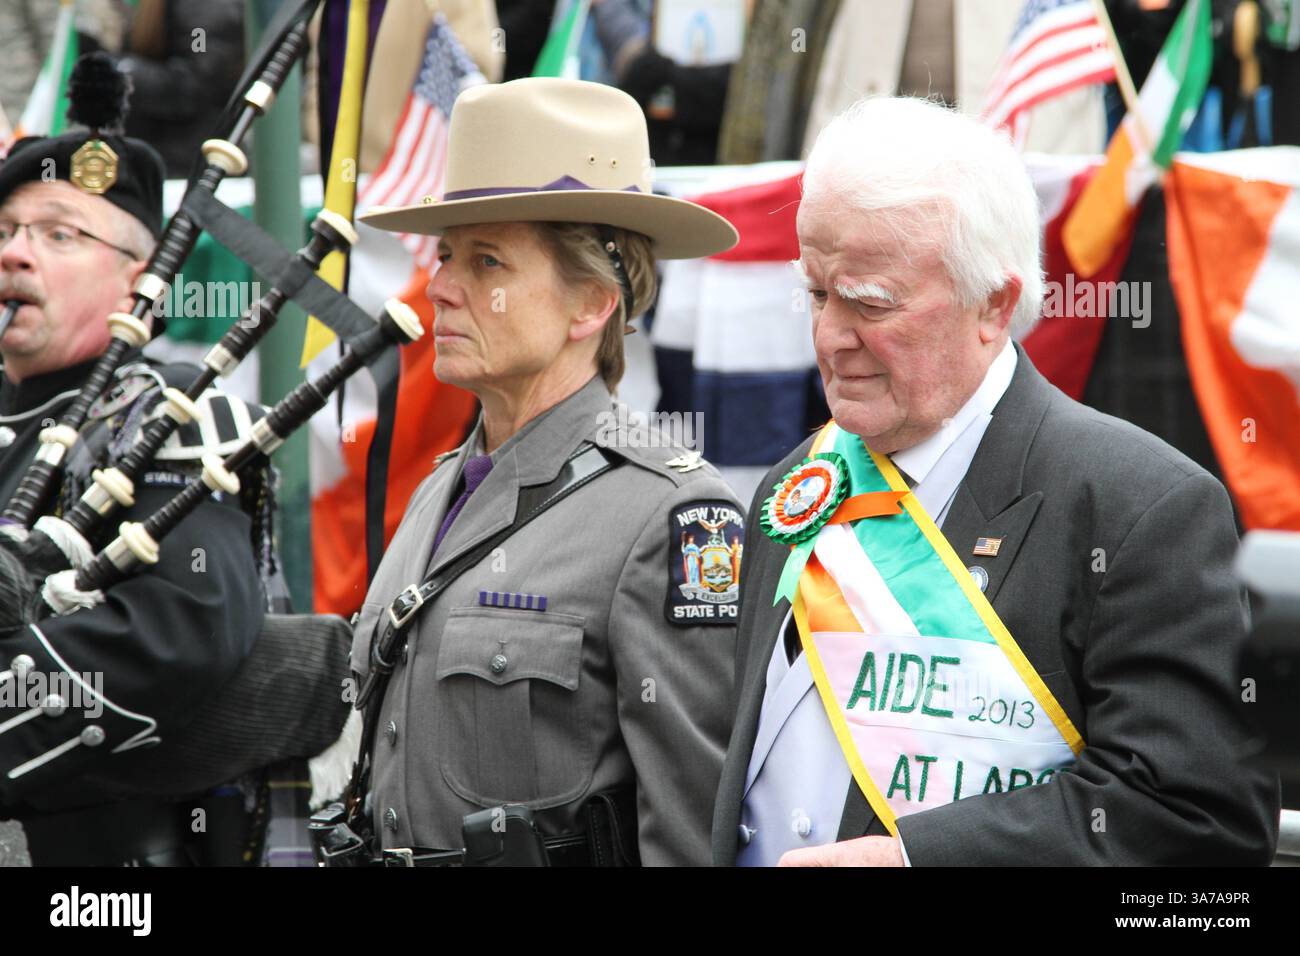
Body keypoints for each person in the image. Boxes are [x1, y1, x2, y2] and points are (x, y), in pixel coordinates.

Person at [712, 95, 1280, 866]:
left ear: (995, 304)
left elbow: (1197, 816)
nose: (829, 335)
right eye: (815, 292)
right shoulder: (795, 485)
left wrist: (920, 861)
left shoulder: (1139, 507)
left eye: (871, 303)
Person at [351, 77, 743, 866]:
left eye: (487, 261)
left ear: (591, 304)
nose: (442, 287)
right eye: (447, 255)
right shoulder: (441, 492)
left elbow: (692, 829)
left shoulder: (670, 517)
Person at [0, 54, 283, 865]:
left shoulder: (175, 415)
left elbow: (178, 639)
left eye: (58, 234)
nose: (16, 255)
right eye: (6, 233)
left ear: (138, 287)